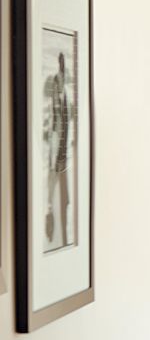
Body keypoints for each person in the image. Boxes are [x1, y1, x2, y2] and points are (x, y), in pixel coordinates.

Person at [46, 52, 70, 247]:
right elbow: (56, 116)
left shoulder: (64, 92)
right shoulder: (56, 84)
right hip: (57, 140)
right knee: (54, 176)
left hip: (61, 143)